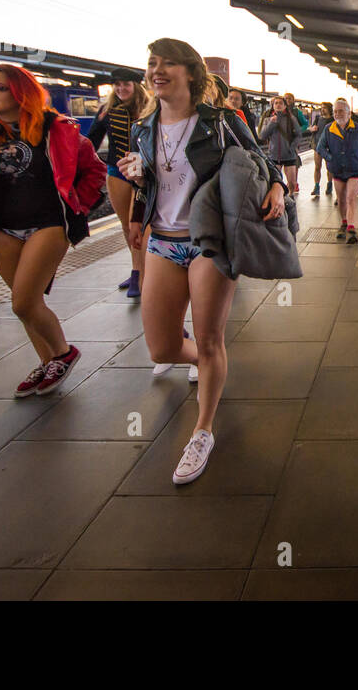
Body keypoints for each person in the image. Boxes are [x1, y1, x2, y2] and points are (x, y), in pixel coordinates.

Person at [119, 38, 286, 485]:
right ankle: (201, 362)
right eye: (152, 63)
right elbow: (148, 183)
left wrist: (277, 188)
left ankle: (203, 430)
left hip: (208, 240)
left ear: (189, 73)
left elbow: (261, 159)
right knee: (162, 348)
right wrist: (137, 212)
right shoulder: (144, 127)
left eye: (167, 63)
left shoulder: (220, 121)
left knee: (211, 339)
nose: (156, 70)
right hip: (162, 243)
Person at [0, 64, 105, 398]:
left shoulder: (58, 129)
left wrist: (76, 205)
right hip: (1, 228)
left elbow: (94, 170)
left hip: (47, 224)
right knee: (29, 302)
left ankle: (64, 353)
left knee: (22, 303)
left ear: (20, 92)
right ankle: (47, 360)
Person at [88, 67, 149, 297]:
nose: (121, 88)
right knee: (126, 224)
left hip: (143, 168)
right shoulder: (106, 111)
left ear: (136, 86)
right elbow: (91, 141)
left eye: (127, 84)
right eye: (118, 84)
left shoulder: (150, 108)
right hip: (117, 169)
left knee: (140, 223)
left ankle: (143, 271)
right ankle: (137, 269)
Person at [316, 97, 358, 244]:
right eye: (335, 111)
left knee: (350, 198)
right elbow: (320, 148)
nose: (337, 114)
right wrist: (330, 157)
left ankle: (351, 226)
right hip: (337, 169)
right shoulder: (329, 129)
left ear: (349, 113)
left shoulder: (357, 128)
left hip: (355, 168)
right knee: (341, 199)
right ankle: (343, 222)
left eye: (341, 111)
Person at [259, 93, 303, 197]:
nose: (278, 105)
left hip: (289, 155)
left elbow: (298, 135)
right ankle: (280, 198)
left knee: (292, 182)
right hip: (274, 155)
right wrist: (272, 123)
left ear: (284, 106)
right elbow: (262, 136)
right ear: (273, 105)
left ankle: (291, 196)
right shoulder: (268, 119)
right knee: (276, 181)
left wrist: (292, 148)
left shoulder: (291, 119)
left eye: (280, 103)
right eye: (276, 103)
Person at [308, 101, 334, 200]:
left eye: (325, 108)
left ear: (329, 109)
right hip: (317, 146)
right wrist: (312, 128)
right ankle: (316, 187)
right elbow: (310, 128)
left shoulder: (333, 120)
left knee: (329, 168)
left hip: (329, 147)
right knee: (317, 167)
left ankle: (329, 185)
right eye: (321, 108)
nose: (322, 109)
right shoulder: (318, 118)